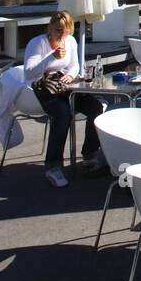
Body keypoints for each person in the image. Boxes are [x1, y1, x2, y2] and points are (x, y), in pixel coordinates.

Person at [22, 10, 106, 188]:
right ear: (50, 28)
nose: (61, 34)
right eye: (58, 30)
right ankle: (53, 166)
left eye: (66, 31)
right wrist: (51, 57)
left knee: (96, 108)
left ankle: (90, 153)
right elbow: (29, 72)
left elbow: (75, 65)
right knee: (63, 113)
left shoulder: (70, 41)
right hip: (41, 87)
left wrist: (70, 75)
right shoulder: (38, 43)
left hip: (64, 85)